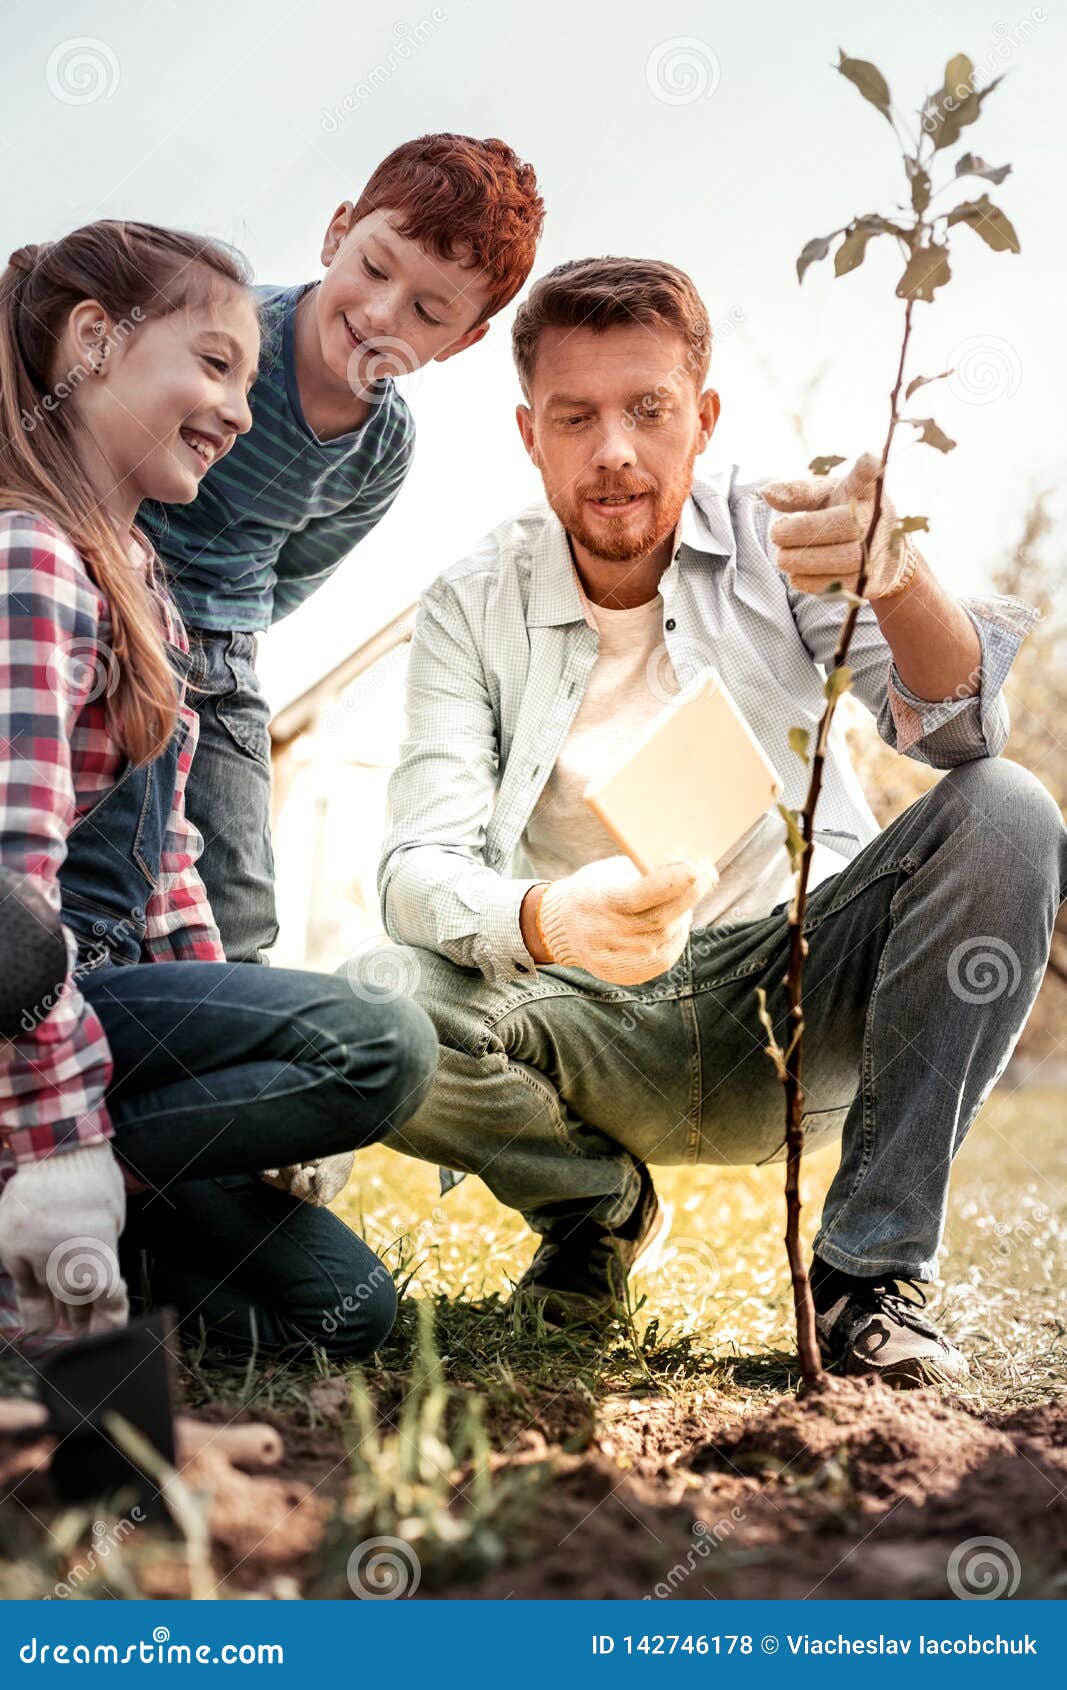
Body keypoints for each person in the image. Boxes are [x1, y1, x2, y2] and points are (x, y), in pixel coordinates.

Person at [373, 256, 1067, 1386]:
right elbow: (415, 865)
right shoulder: (469, 601)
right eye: (575, 417)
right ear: (527, 433)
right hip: (590, 1013)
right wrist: (552, 920)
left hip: (800, 987)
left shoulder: (777, 533)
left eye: (648, 411)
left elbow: (955, 736)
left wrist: (899, 579)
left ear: (699, 419)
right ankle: (592, 1214)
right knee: (380, 1000)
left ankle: (864, 1278)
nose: (613, 451)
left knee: (1008, 808)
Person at [0, 222, 437, 1360]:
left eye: (249, 377)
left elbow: (172, 868)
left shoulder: (142, 579)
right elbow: (7, 907)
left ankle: (72, 1238)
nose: (242, 411)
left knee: (338, 1312)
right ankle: (32, 1190)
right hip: (29, 1018)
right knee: (382, 1045)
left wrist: (234, 1078)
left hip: (109, 1012)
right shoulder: (32, 559)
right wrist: (58, 1152)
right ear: (92, 344)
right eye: (213, 364)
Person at [140, 133, 545, 964]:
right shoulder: (220, 332)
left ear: (461, 342)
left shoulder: (382, 450)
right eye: (372, 267)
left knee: (239, 911)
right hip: (104, 586)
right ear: (335, 235)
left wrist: (220, 626)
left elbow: (295, 575)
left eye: (429, 312)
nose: (381, 314)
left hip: (217, 657)